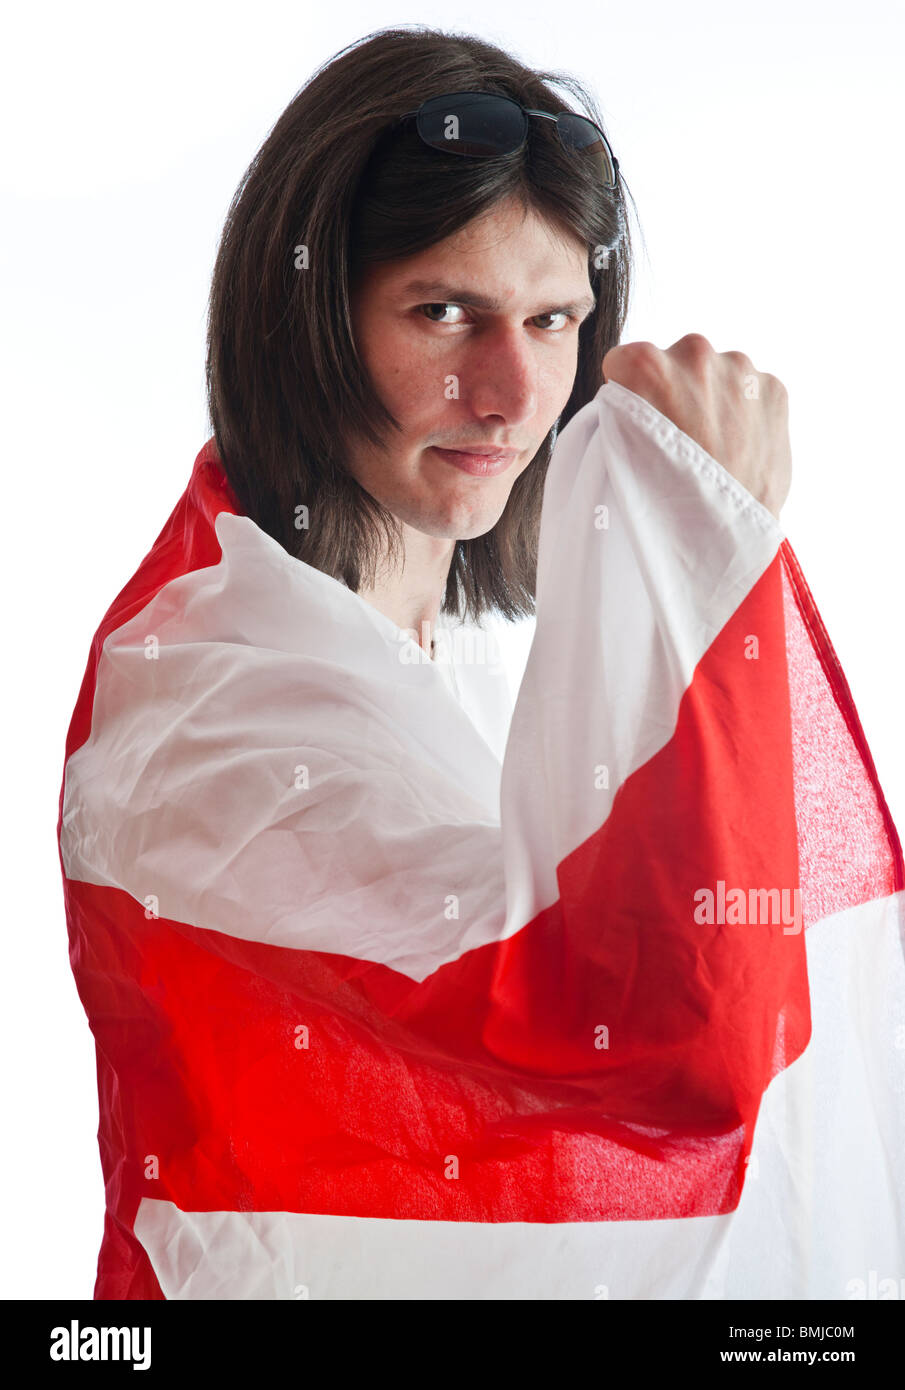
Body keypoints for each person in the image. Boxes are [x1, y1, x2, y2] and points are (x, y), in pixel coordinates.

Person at [57, 25, 904, 1301]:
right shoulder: (215, 706)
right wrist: (697, 542)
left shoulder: (415, 657)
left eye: (554, 319)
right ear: (309, 324)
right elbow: (673, 1042)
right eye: (443, 312)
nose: (515, 394)